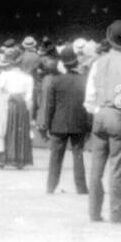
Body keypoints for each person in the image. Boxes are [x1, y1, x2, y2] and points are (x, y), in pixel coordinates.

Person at [84, 20, 121, 223]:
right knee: (117, 167)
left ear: (108, 37)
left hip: (99, 115)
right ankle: (116, 212)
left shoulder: (97, 63)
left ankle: (94, 211)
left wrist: (97, 109)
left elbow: (89, 95)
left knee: (96, 168)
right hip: (117, 115)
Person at [40, 46, 91, 195]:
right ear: (76, 63)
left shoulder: (55, 81)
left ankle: (51, 186)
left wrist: (47, 125)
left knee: (55, 156)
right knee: (78, 155)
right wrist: (88, 126)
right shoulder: (84, 81)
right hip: (78, 122)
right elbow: (88, 105)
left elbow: (50, 106)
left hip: (58, 123)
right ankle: (81, 187)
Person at [0, 47, 35, 169]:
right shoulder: (28, 77)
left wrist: (6, 95)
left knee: (4, 130)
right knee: (20, 131)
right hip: (21, 105)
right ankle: (19, 159)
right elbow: (29, 97)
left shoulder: (5, 76)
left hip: (7, 104)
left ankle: (1, 159)